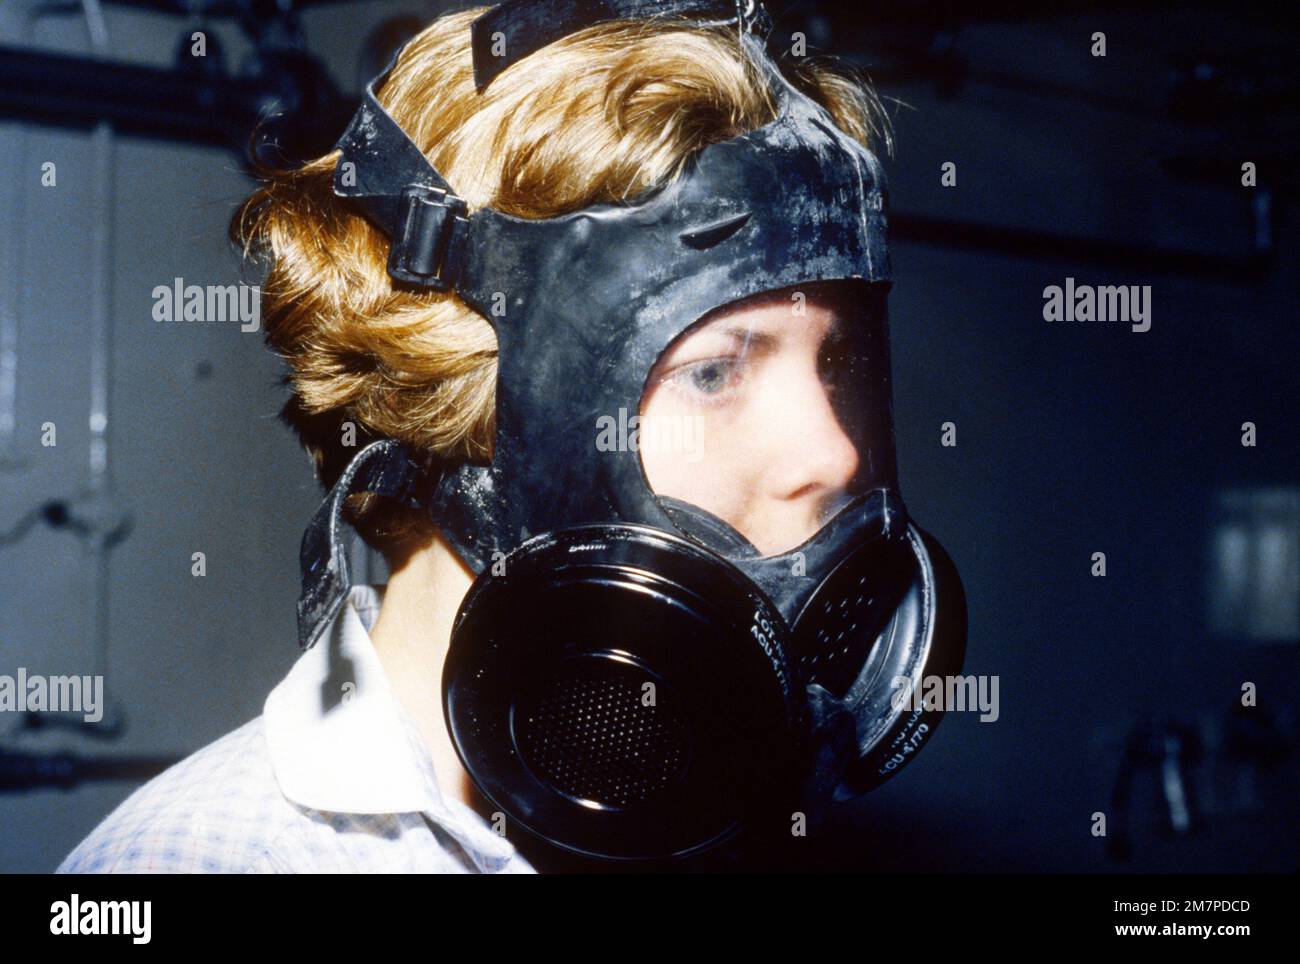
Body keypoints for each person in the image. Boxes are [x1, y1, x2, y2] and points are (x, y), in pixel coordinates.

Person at [56, 4, 894, 873]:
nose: (833, 454)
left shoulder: (720, 817)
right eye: (714, 373)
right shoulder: (191, 860)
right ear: (455, 399)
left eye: (833, 365)